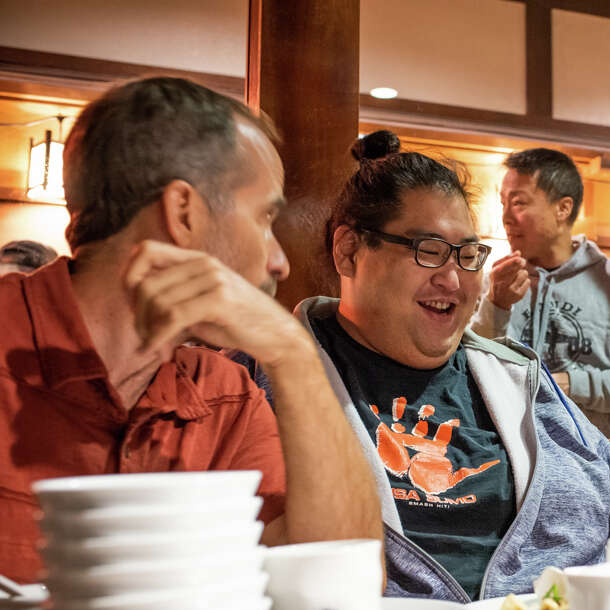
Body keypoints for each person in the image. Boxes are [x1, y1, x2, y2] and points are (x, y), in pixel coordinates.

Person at [0, 77, 379, 584]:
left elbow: (344, 581)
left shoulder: (224, 396)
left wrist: (294, 355)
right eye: (265, 217)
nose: (278, 261)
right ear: (184, 212)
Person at [298, 131, 610, 601]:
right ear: (349, 251)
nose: (452, 280)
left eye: (468, 255)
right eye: (428, 249)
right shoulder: (274, 381)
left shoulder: (520, 380)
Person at [470, 147, 610, 439]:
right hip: (517, 465)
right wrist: (496, 307)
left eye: (519, 203)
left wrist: (567, 383)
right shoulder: (495, 283)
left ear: (562, 209)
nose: (505, 217)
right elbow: (472, 373)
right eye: (503, 203)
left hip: (602, 468)